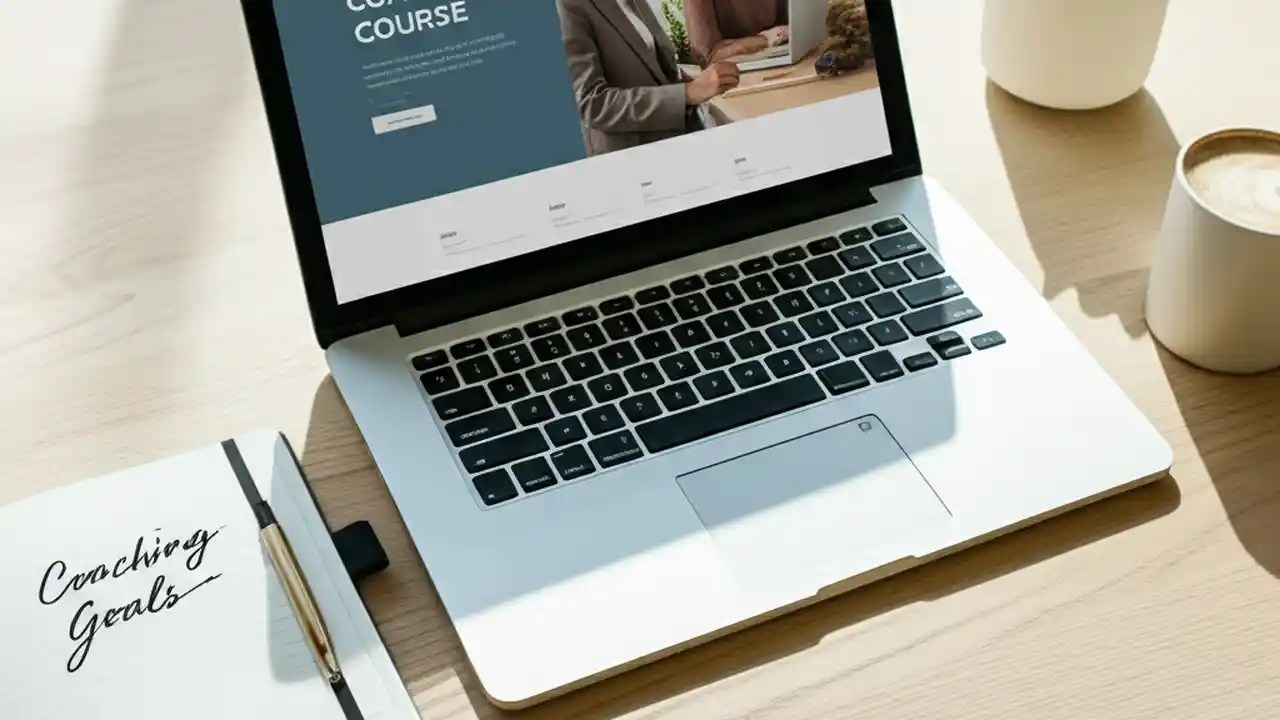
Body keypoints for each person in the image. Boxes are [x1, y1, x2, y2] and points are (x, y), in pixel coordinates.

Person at [558, 0, 740, 156]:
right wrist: (688, 93)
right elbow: (592, 104)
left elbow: (659, 71)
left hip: (676, 138)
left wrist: (696, 81)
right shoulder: (568, 6)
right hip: (633, 158)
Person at [684, 0, 790, 66]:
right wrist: (765, 39)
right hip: (731, 79)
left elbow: (790, 27)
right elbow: (709, 57)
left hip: (778, 64)